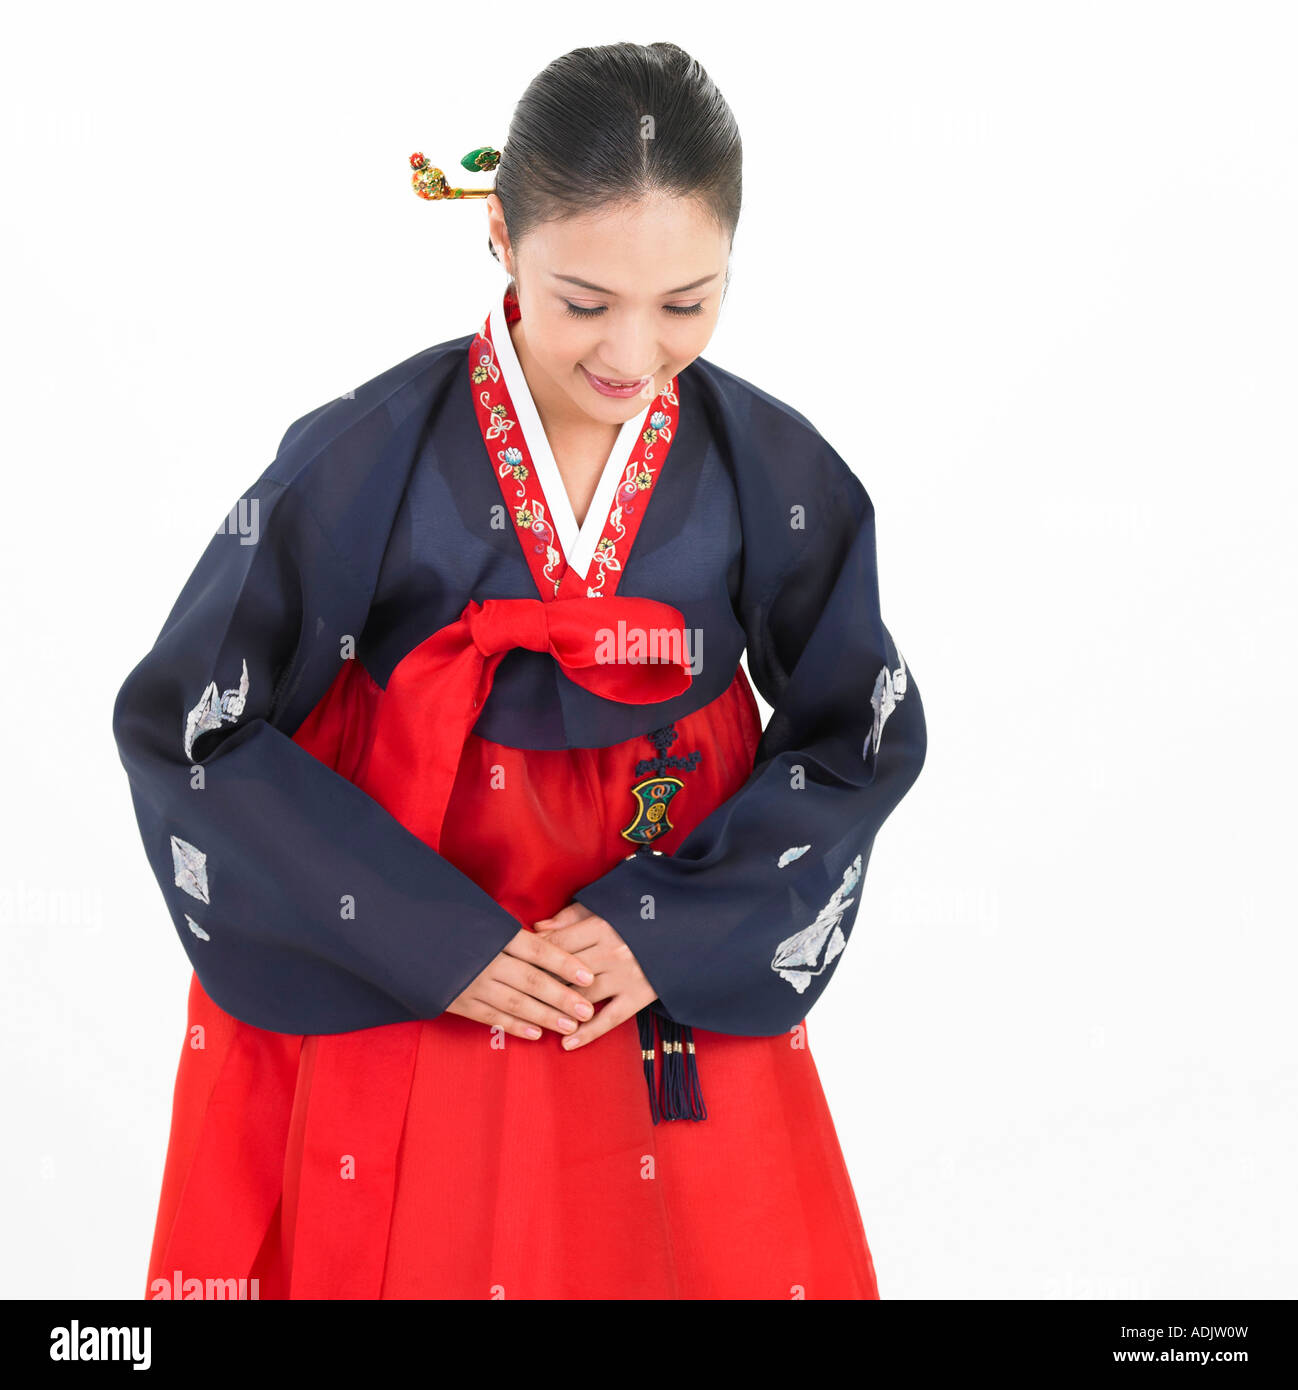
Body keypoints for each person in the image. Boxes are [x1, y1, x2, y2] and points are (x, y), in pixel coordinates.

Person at [113, 40, 928, 1301]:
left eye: (687, 303)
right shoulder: (363, 454)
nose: (635, 355)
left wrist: (675, 923)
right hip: (427, 935)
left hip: (655, 961)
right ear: (497, 233)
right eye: (584, 301)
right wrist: (428, 936)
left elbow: (854, 724)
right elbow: (192, 726)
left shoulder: (773, 466)